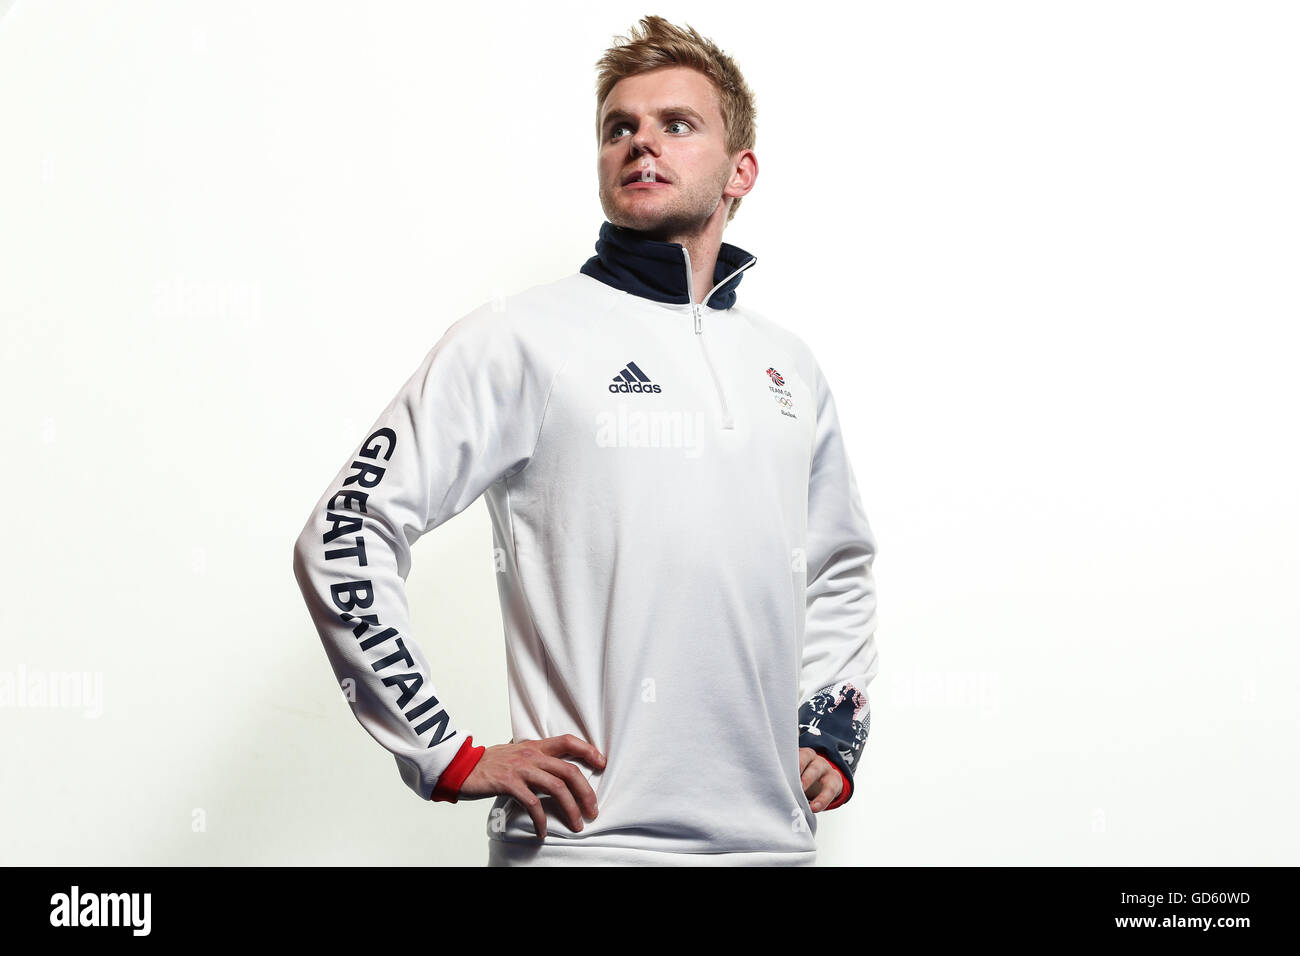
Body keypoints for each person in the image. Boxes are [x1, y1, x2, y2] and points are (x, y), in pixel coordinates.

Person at [291, 14, 880, 867]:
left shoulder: (787, 364)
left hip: (771, 849)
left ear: (739, 170)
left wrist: (832, 722)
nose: (641, 142)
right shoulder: (518, 338)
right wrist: (445, 753)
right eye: (619, 128)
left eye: (677, 124)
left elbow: (841, 564)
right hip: (583, 850)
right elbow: (343, 536)